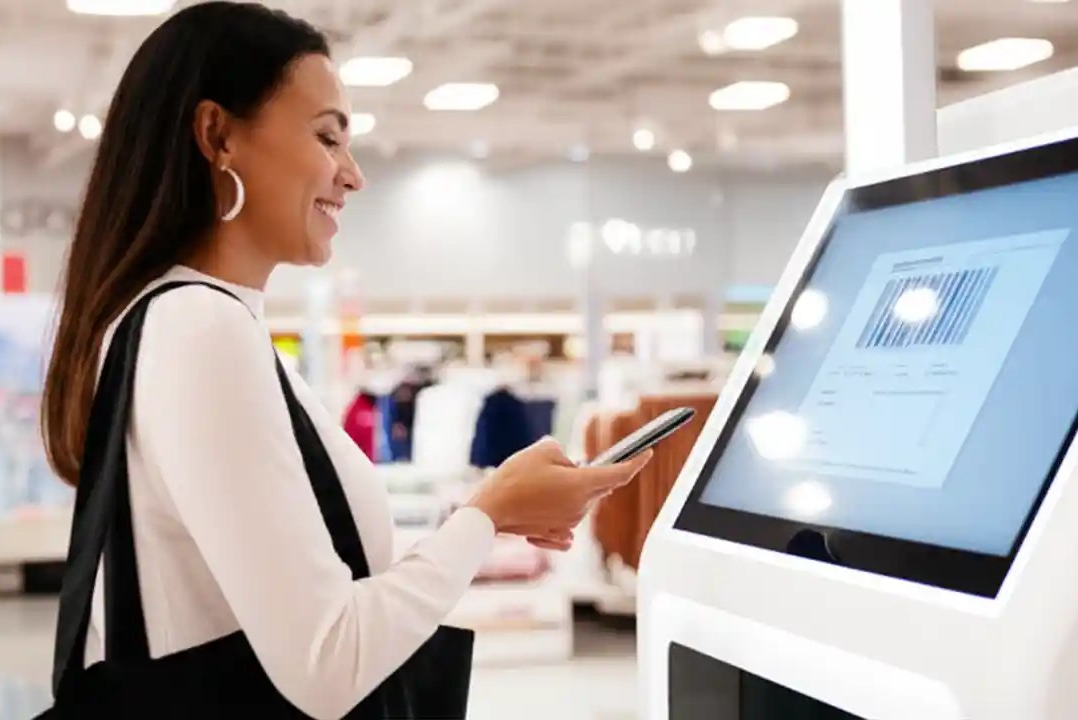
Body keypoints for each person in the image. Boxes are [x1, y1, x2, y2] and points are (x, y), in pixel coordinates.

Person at [37, 3, 653, 718]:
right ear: (217, 136)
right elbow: (327, 663)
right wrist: (486, 515)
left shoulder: (182, 321)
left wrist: (489, 512)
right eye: (327, 137)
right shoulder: (200, 326)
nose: (352, 175)